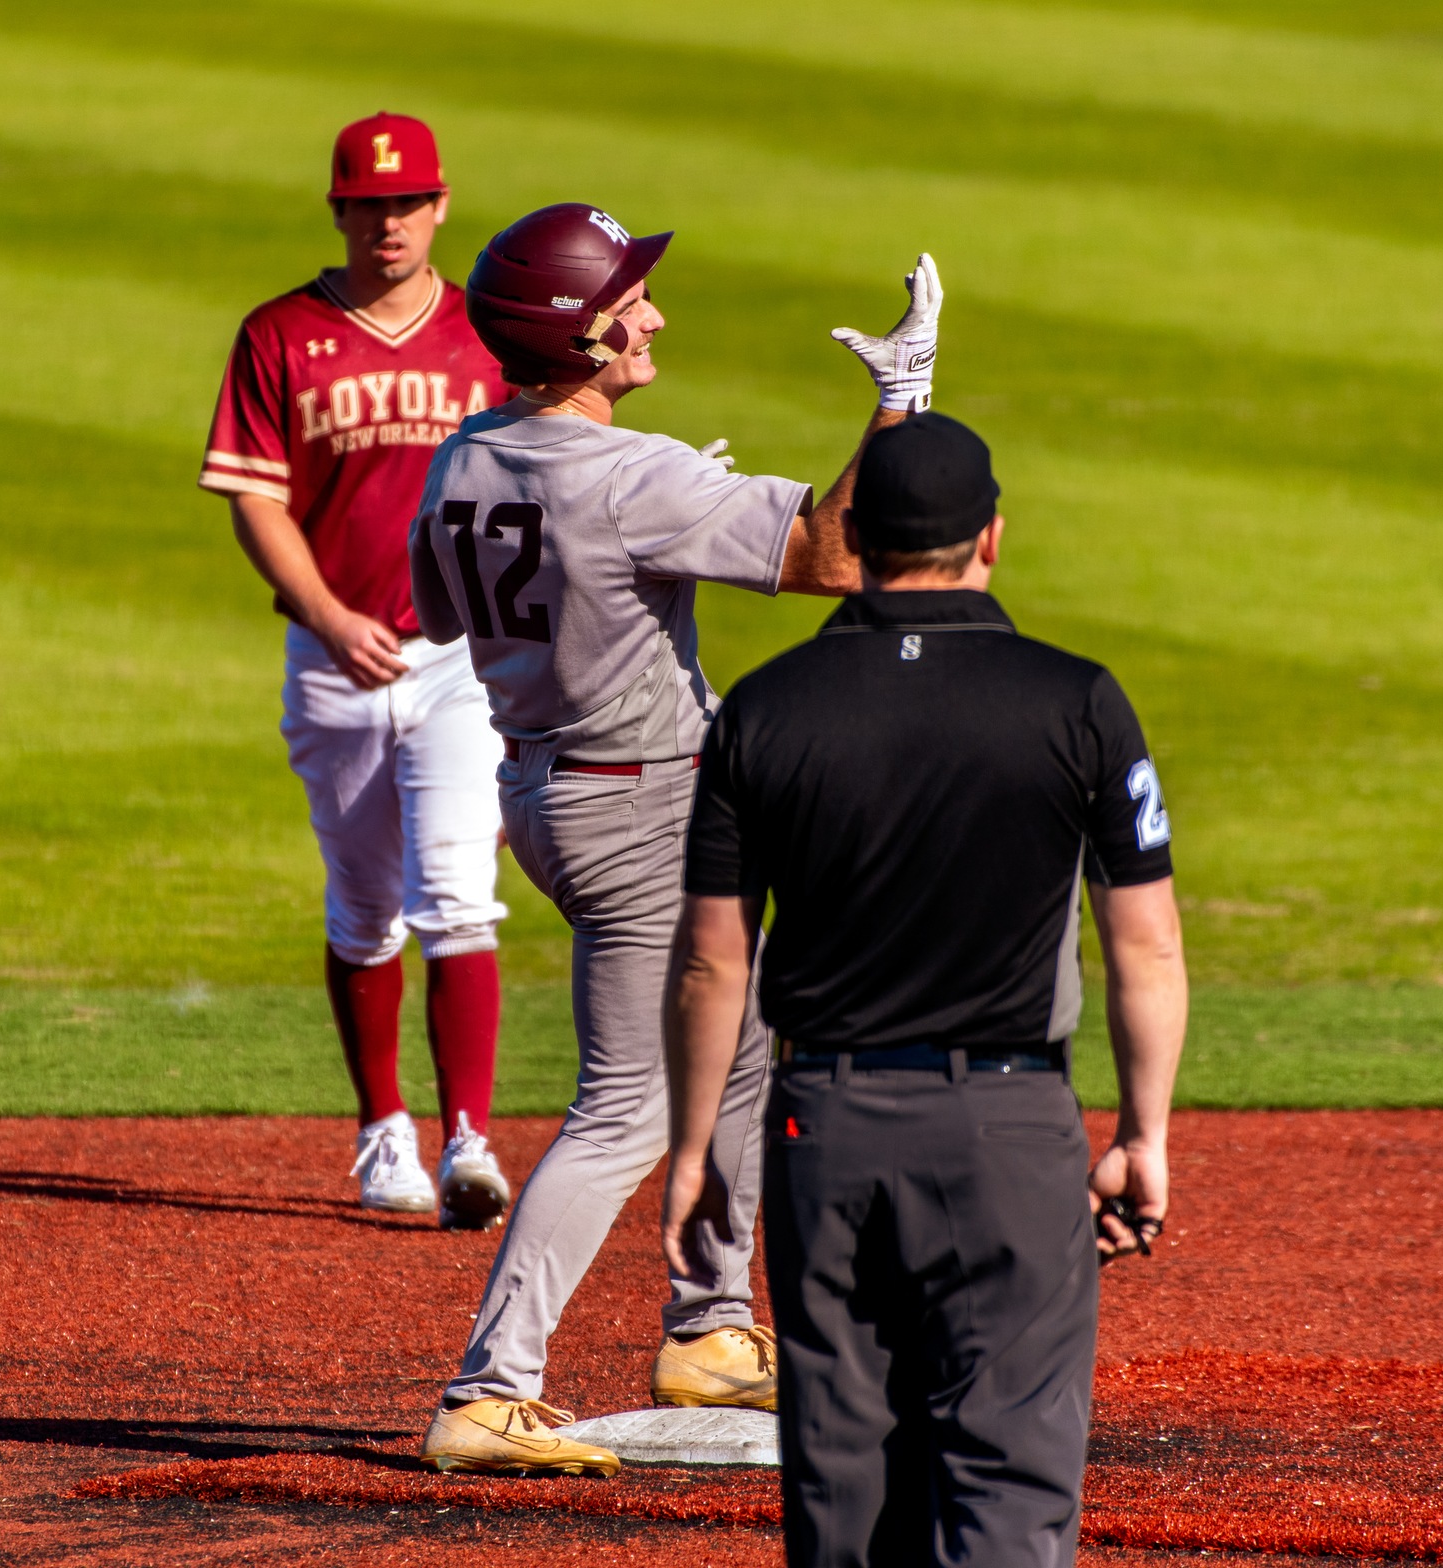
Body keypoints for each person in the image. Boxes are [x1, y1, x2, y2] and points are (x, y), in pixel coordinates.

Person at [405, 203, 947, 1475]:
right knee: (629, 1106)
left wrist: (626, 544)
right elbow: (835, 553)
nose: (650, 313)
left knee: (746, 1048)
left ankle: (709, 1324)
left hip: (549, 787)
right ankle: (488, 1386)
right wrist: (900, 402)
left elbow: (439, 604)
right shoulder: (629, 473)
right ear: (580, 333)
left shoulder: (465, 456)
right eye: (629, 300)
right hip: (638, 803)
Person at [662, 412, 1187, 1565]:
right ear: (991, 537)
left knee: (841, 1479)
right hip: (1008, 1126)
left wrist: (696, 1145)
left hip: (822, 1125)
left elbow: (713, 955)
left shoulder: (766, 706)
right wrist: (1143, 1132)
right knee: (1005, 1468)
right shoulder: (1078, 700)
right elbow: (1143, 943)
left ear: (853, 535)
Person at [198, 113, 516, 1229]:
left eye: (408, 202)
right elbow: (253, 494)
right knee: (365, 908)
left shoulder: (487, 337)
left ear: (440, 208)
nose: (389, 221)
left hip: (458, 661)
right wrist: (329, 616)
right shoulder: (282, 333)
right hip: (333, 662)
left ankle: (470, 1135)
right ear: (339, 209)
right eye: (369, 203)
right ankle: (386, 1125)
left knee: (459, 895)